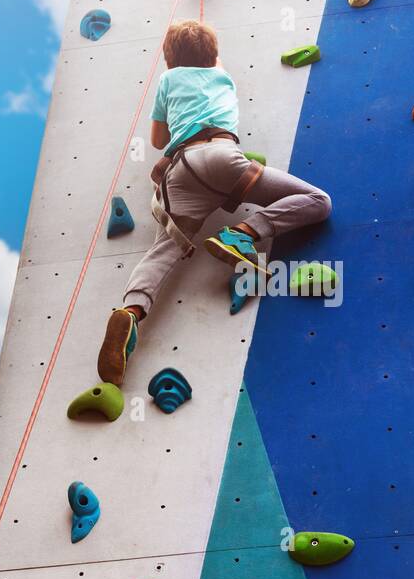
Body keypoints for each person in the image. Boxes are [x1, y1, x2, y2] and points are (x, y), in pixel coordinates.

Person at [97, 19, 332, 387]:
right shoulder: (223, 77)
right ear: (213, 54)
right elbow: (212, 60)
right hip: (223, 157)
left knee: (163, 250)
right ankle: (244, 231)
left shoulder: (167, 81)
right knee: (318, 201)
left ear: (170, 59)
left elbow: (159, 141)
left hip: (182, 167)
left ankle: (131, 310)